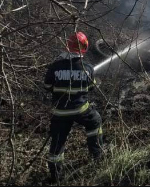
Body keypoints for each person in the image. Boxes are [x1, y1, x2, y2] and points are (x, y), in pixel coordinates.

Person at [43, 32, 104, 183]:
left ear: (67, 46)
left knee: (58, 141)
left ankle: (55, 176)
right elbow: (90, 87)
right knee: (95, 121)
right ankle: (97, 155)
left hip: (60, 111)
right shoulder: (87, 68)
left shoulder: (55, 66)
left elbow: (47, 86)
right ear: (85, 47)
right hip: (80, 110)